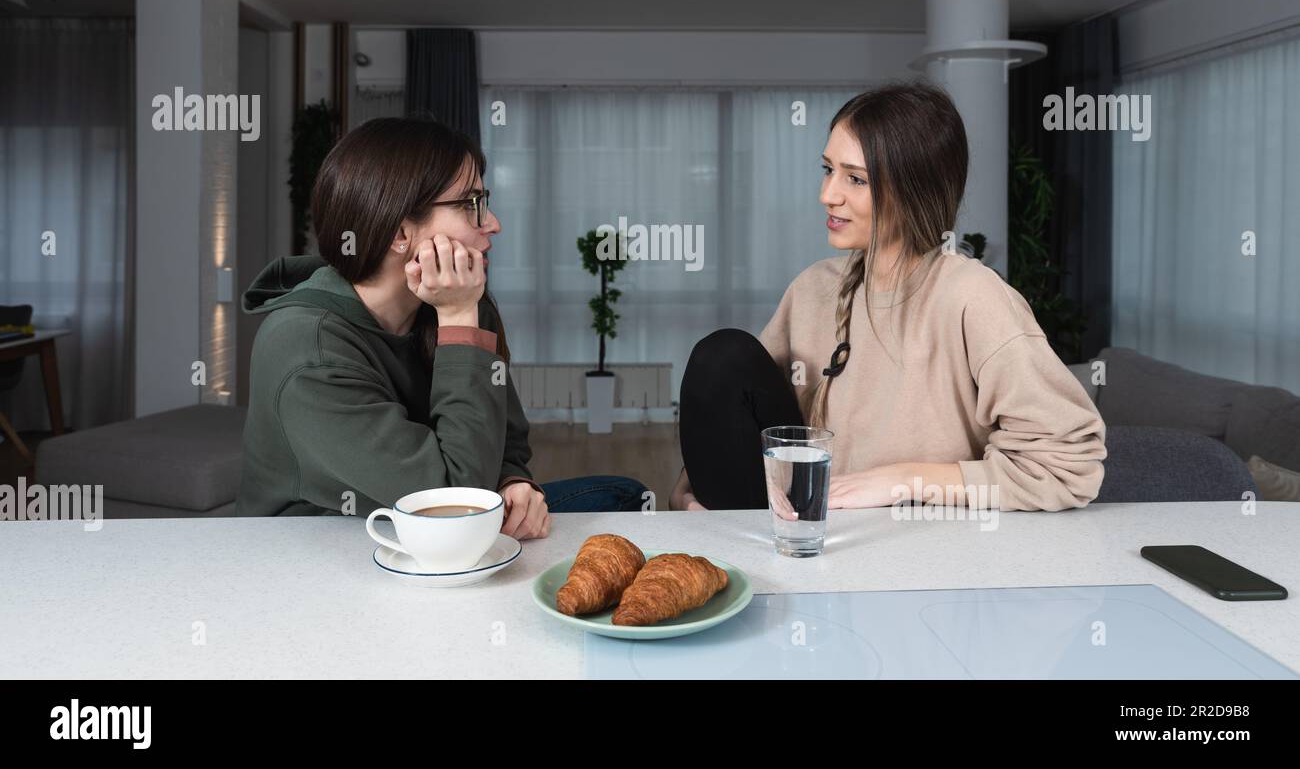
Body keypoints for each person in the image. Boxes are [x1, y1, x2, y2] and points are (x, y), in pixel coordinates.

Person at [671, 80, 1106, 513]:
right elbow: (732, 406)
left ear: (916, 190)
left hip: (917, 543)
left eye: (855, 179)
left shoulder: (974, 297)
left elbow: (1069, 467)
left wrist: (901, 480)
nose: (828, 195)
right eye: (828, 170)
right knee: (722, 353)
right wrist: (692, 490)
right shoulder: (812, 288)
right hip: (801, 526)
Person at [237, 116, 648, 534]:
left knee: (623, 494)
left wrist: (514, 482)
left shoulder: (459, 300)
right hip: (333, 553)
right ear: (400, 232)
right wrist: (457, 321)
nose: (492, 223)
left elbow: (507, 440)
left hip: (448, 526)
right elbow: (454, 500)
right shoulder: (307, 349)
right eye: (472, 205)